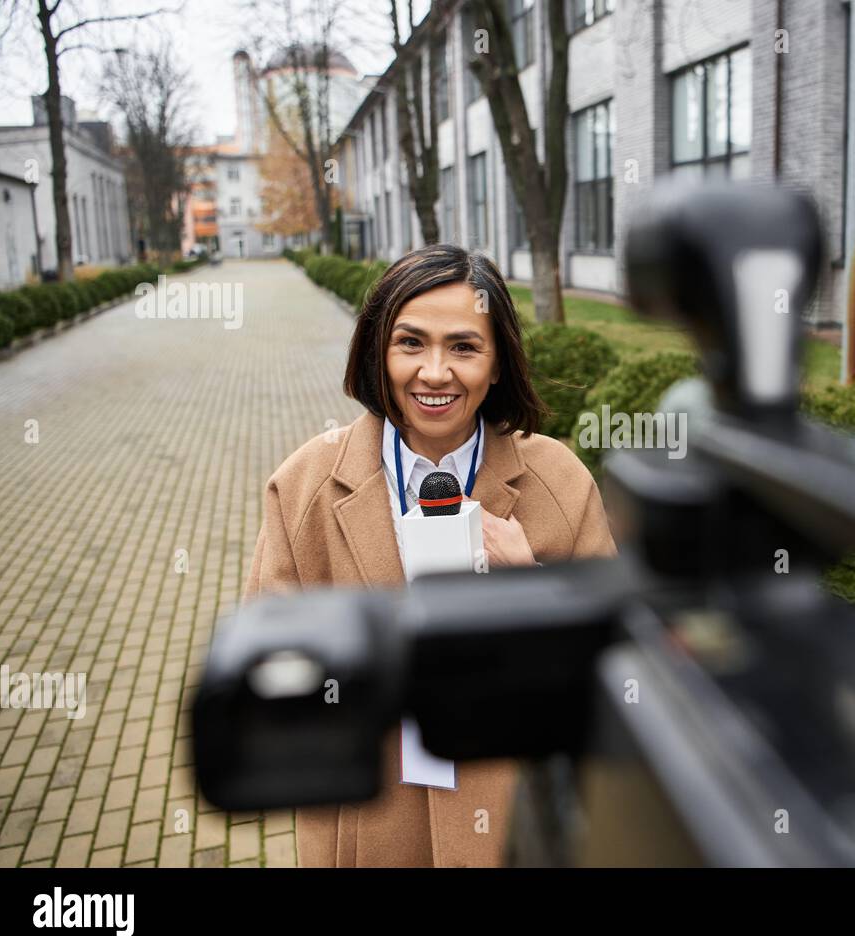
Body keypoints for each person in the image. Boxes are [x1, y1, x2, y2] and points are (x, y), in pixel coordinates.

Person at [241, 244, 617, 866]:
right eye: (410, 342)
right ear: (377, 352)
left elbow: (615, 680)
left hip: (516, 824)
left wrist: (533, 593)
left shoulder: (561, 481)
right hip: (370, 825)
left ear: (497, 365)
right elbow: (267, 678)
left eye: (464, 347)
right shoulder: (305, 485)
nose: (435, 372)